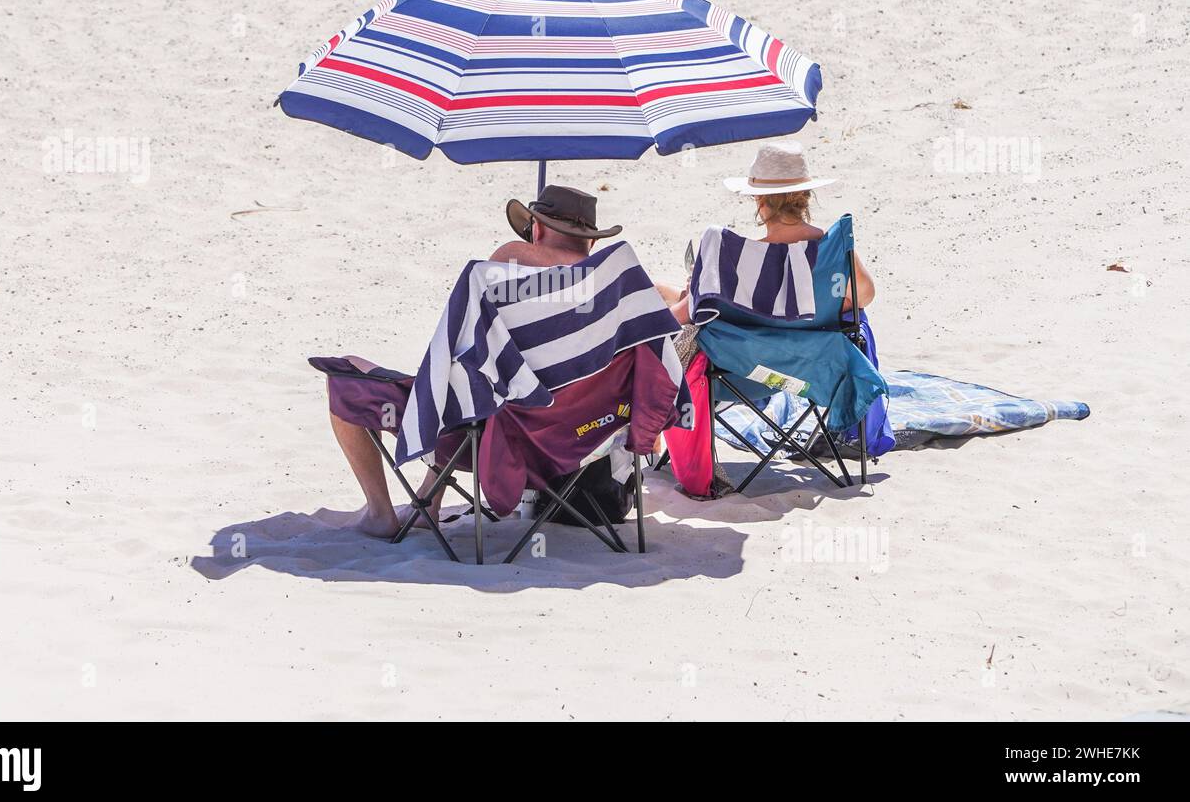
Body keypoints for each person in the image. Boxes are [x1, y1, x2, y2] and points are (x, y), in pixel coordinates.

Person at [333, 185, 623, 538]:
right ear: (592, 241)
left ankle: (381, 512)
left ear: (538, 228)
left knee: (346, 372)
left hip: (486, 441)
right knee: (476, 382)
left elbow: (457, 353)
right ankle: (427, 501)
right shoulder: (617, 292)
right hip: (576, 440)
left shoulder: (515, 258)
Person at [656, 142, 875, 322]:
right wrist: (823, 308)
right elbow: (864, 297)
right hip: (820, 360)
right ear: (806, 197)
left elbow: (684, 318)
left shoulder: (739, 259)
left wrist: (700, 283)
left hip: (747, 366)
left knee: (659, 291)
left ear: (760, 201)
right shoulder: (833, 249)